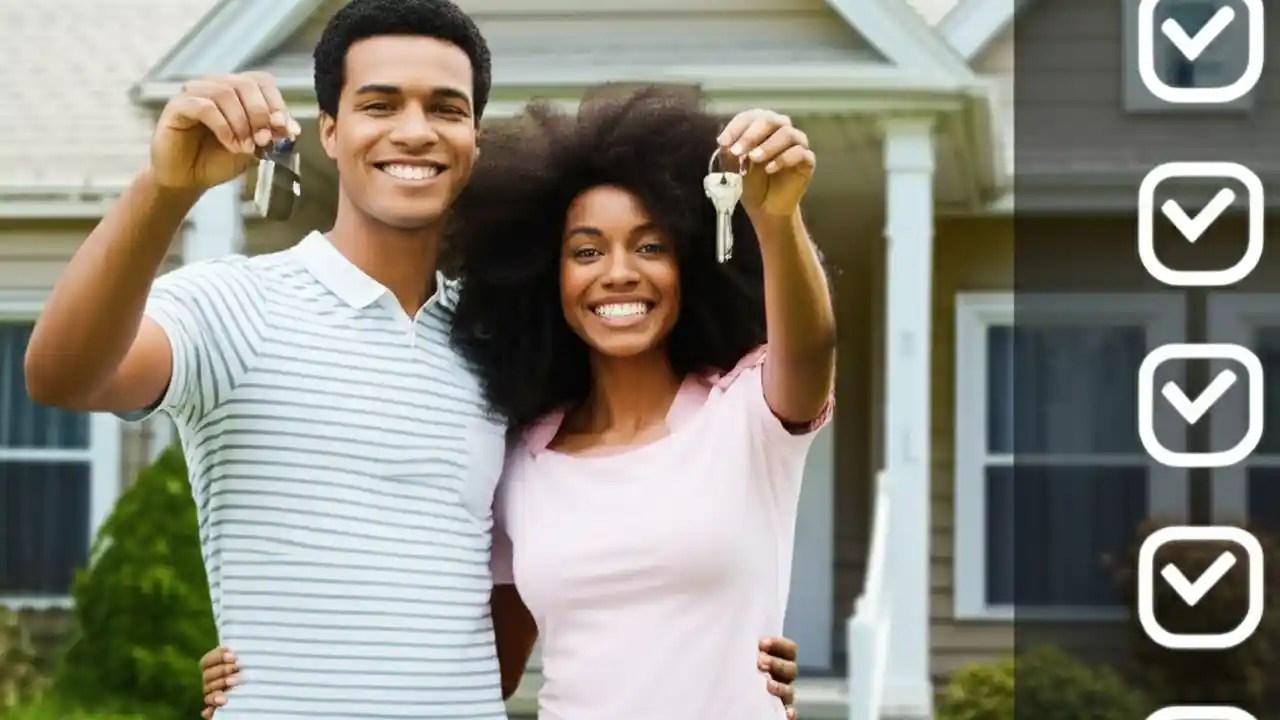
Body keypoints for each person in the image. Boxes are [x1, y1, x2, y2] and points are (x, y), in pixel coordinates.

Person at [25, 0, 801, 718]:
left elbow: (550, 564)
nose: (415, 131)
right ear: (329, 130)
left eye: (446, 109)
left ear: (475, 140)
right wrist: (164, 192)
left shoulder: (505, 342)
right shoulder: (233, 305)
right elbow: (63, 375)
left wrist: (720, 646)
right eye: (379, 104)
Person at [198, 85, 836, 719]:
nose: (618, 272)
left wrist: (777, 219)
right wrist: (274, 664)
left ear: (688, 266)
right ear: (545, 276)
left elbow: (810, 348)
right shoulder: (524, 459)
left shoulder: (748, 411)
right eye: (586, 251)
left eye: (650, 247)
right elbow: (486, 667)